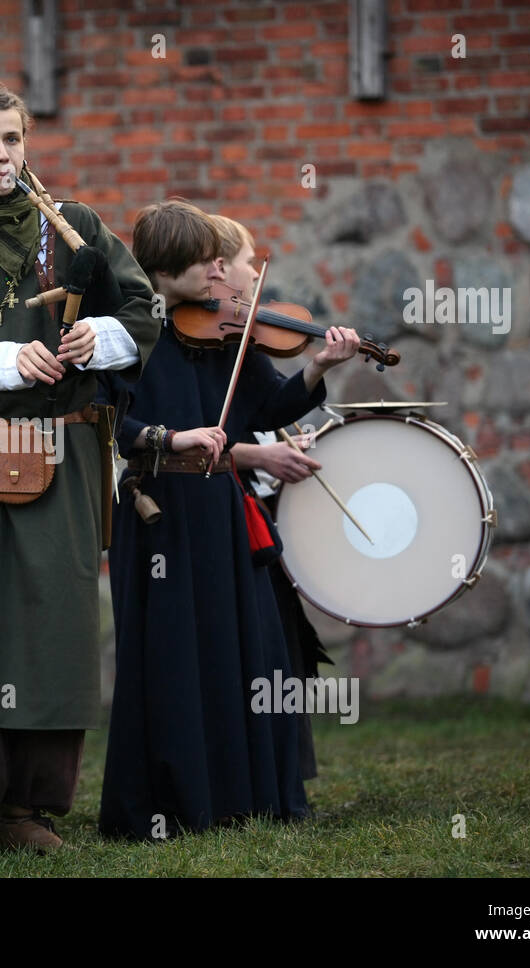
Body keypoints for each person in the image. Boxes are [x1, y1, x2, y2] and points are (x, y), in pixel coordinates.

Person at [0, 83, 160, 861]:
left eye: (12, 139)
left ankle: (29, 810)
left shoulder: (74, 227)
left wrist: (98, 339)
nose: (2, 155)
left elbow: (142, 309)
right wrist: (8, 358)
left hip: (68, 449)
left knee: (56, 626)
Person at [97, 200, 360, 839]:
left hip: (219, 508)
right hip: (157, 512)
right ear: (166, 271)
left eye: (223, 264)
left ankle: (248, 795)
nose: (221, 278)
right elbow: (108, 424)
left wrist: (318, 368)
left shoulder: (222, 334)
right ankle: (178, 802)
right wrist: (170, 437)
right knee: (171, 657)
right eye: (207, 266)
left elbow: (271, 403)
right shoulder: (123, 334)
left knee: (246, 647)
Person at [210, 215, 332, 781]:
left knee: (280, 638)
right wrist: (262, 456)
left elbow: (271, 409)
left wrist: (320, 364)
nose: (253, 274)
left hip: (248, 510)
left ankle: (276, 771)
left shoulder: (240, 339)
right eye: (245, 261)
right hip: (209, 517)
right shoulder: (171, 343)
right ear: (213, 269)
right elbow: (174, 444)